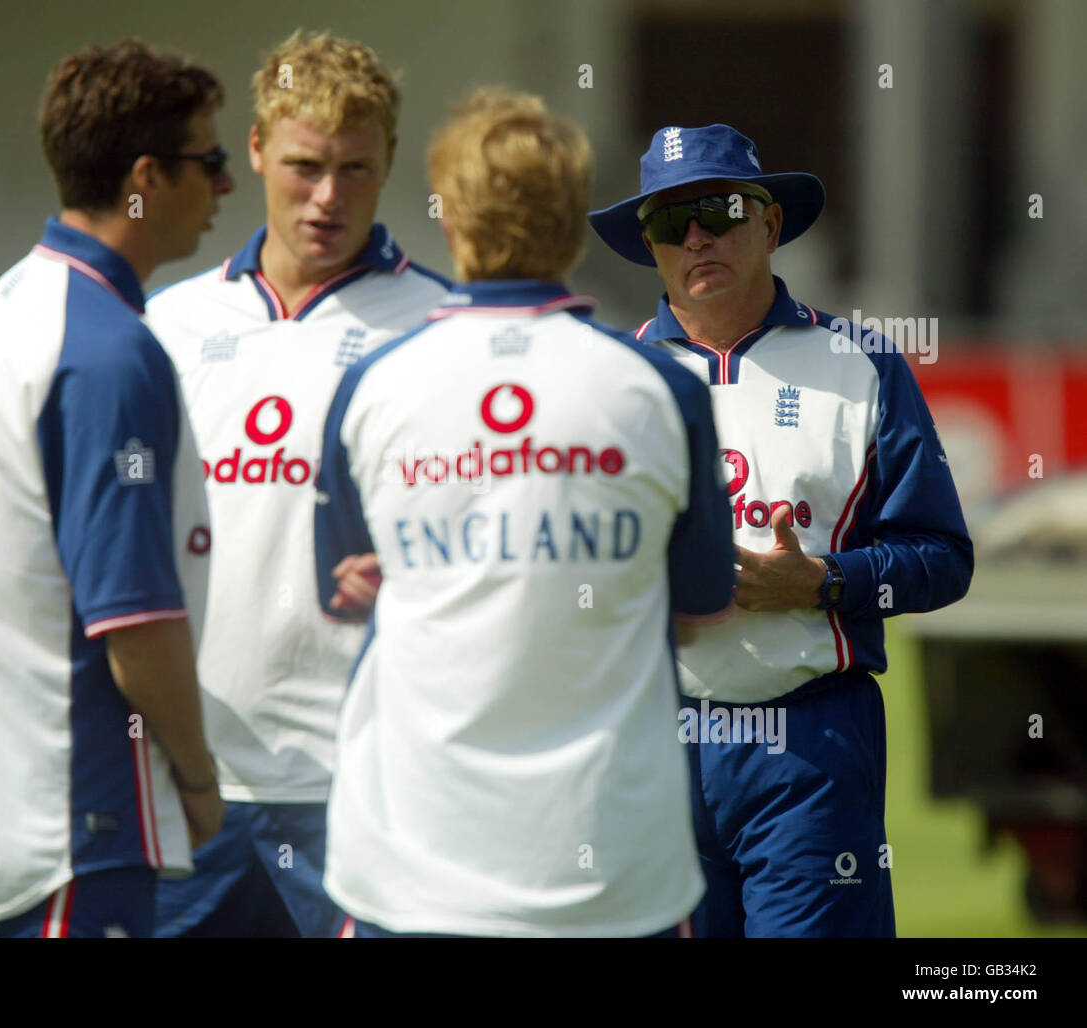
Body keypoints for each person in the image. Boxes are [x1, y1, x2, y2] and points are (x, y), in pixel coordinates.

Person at [313, 90, 736, 937]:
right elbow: (699, 609)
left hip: (411, 877)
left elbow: (345, 589)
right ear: (573, 224)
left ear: (453, 222)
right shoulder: (663, 388)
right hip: (614, 877)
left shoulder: (371, 387)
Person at [588, 123, 974, 937]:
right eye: (668, 222)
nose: (696, 236)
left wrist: (825, 582)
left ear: (768, 223)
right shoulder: (611, 380)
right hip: (653, 741)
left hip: (811, 742)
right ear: (648, 247)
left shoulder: (862, 363)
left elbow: (944, 560)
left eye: (720, 209)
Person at [0, 39, 233, 939]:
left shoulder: (8, 302)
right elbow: (131, 619)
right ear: (144, 179)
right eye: (210, 161)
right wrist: (199, 785)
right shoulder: (107, 348)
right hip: (74, 821)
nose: (227, 186)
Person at [145, 30, 449, 939]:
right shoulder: (167, 324)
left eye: (355, 169)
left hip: (366, 788)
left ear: (389, 163)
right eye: (304, 165)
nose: (327, 196)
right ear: (254, 153)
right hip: (185, 782)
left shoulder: (439, 329)